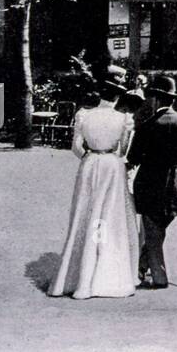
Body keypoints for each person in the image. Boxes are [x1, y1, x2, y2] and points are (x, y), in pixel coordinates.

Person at [49, 76, 140, 298]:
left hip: (89, 165)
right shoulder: (124, 118)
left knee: (86, 214)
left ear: (100, 95)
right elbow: (123, 149)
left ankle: (80, 279)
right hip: (112, 165)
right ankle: (104, 275)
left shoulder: (84, 115)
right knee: (109, 216)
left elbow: (76, 147)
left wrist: (89, 157)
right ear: (117, 97)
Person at [126, 73, 177, 289]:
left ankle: (159, 278)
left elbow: (133, 158)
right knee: (158, 230)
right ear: (172, 99)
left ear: (156, 99)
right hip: (175, 188)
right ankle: (141, 266)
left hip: (149, 186)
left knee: (153, 233)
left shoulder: (146, 126)